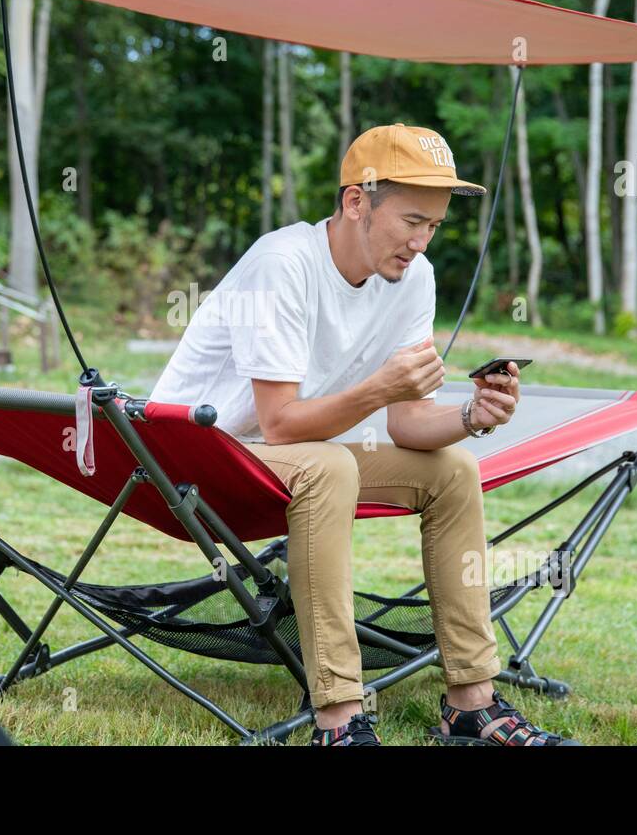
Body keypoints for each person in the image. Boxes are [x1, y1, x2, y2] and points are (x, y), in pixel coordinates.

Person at [150, 123, 578, 746]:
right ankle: (340, 716)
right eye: (411, 220)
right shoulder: (283, 264)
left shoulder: (413, 278)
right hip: (190, 461)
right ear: (356, 202)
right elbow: (278, 422)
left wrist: (469, 417)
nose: (422, 241)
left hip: (284, 459)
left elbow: (407, 423)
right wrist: (380, 387)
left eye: (434, 225)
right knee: (330, 466)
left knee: (454, 471)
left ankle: (471, 703)